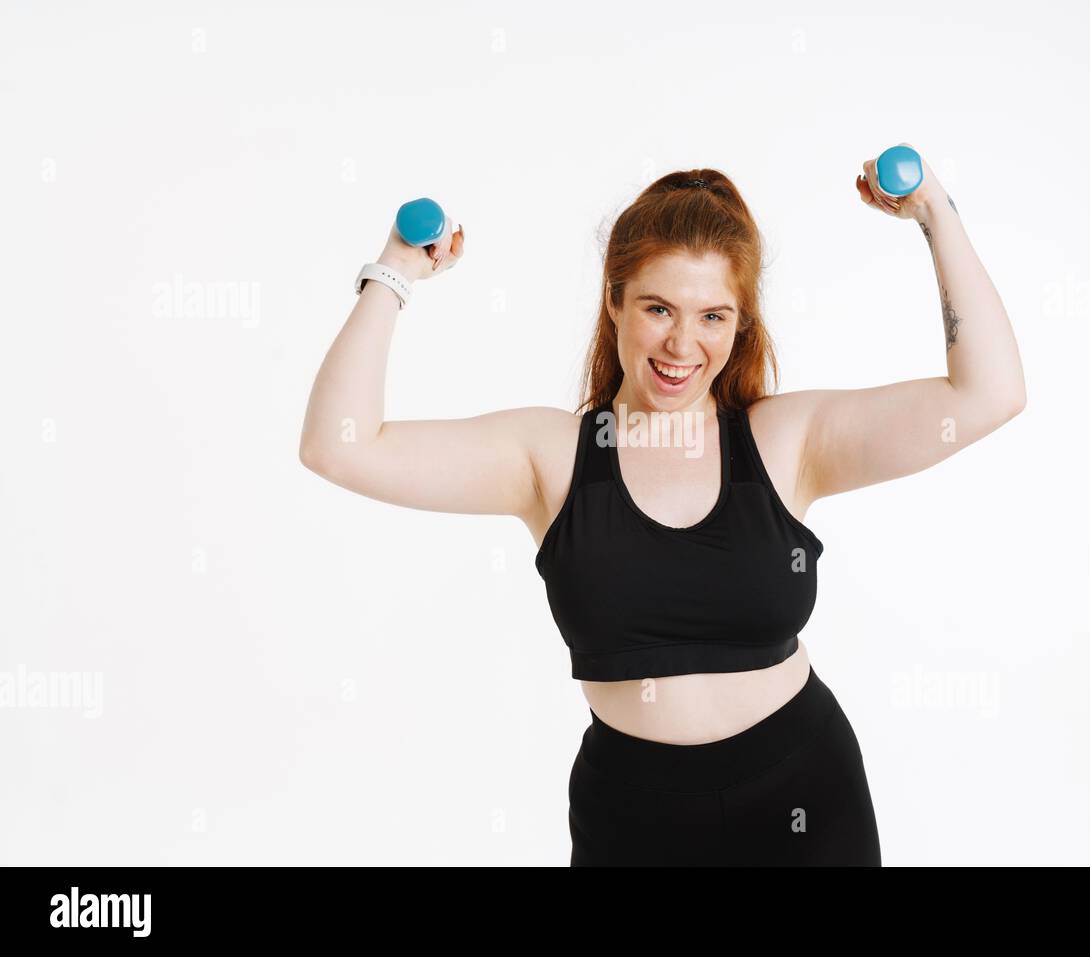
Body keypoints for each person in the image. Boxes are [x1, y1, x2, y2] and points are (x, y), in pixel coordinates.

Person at [298, 148, 1026, 866]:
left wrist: (934, 212)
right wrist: (394, 273)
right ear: (613, 300)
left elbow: (988, 393)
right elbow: (340, 446)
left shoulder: (785, 442)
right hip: (634, 820)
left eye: (713, 315)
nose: (683, 343)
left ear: (740, 324)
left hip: (804, 803)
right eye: (658, 308)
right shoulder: (549, 457)